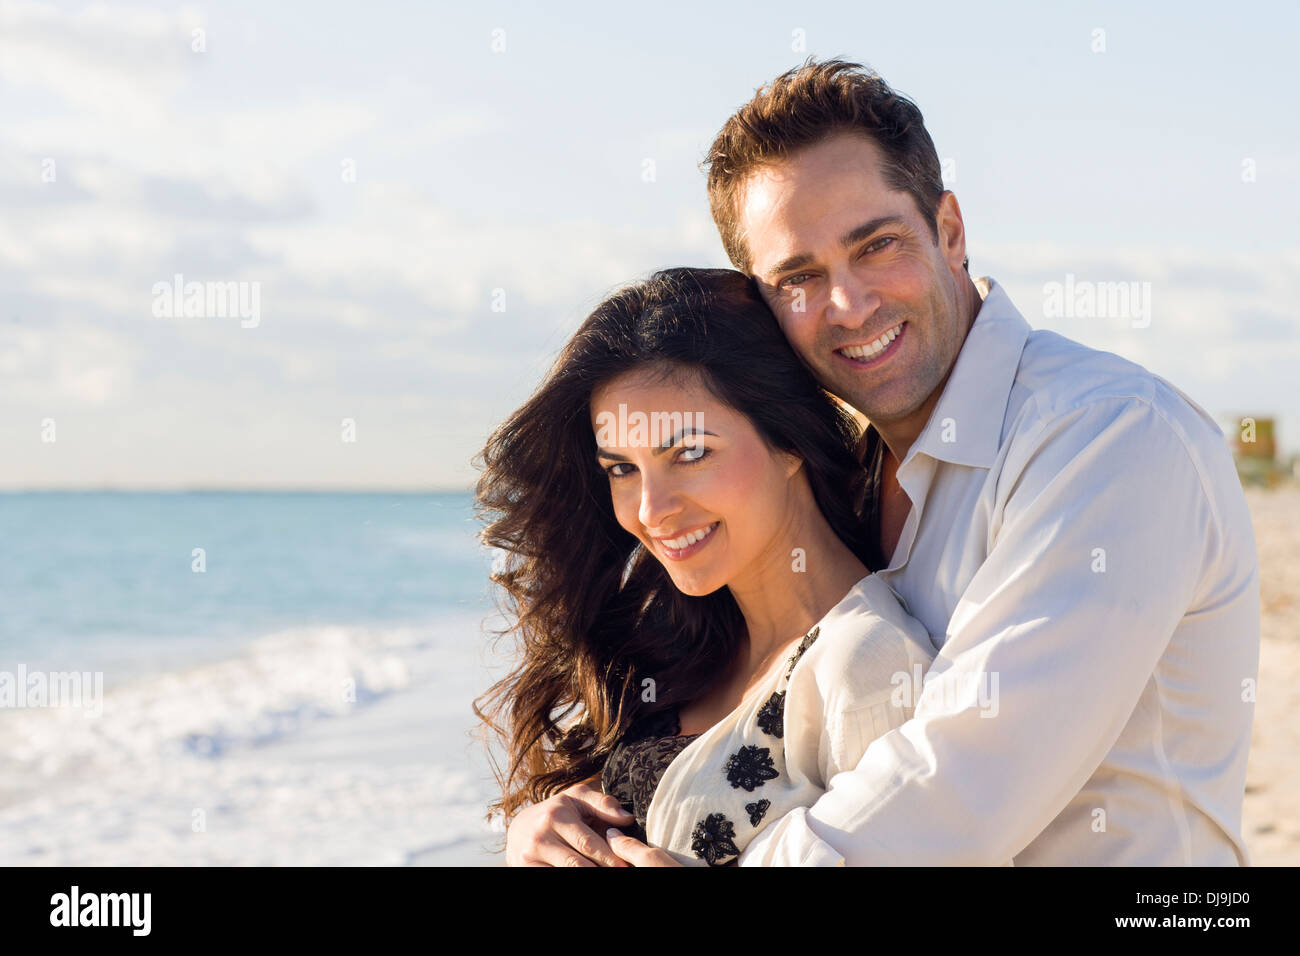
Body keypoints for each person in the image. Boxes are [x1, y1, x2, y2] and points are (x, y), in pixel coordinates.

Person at [505, 59, 1260, 866]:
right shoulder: (862, 488)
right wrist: (545, 826)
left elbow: (958, 782)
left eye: (878, 245)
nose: (849, 304)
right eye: (798, 277)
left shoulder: (1104, 437)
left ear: (952, 231)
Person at [474, 267, 934, 865]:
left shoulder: (866, 667)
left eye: (690, 453)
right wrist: (539, 833)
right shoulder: (679, 638)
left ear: (787, 437)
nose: (650, 511)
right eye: (621, 468)